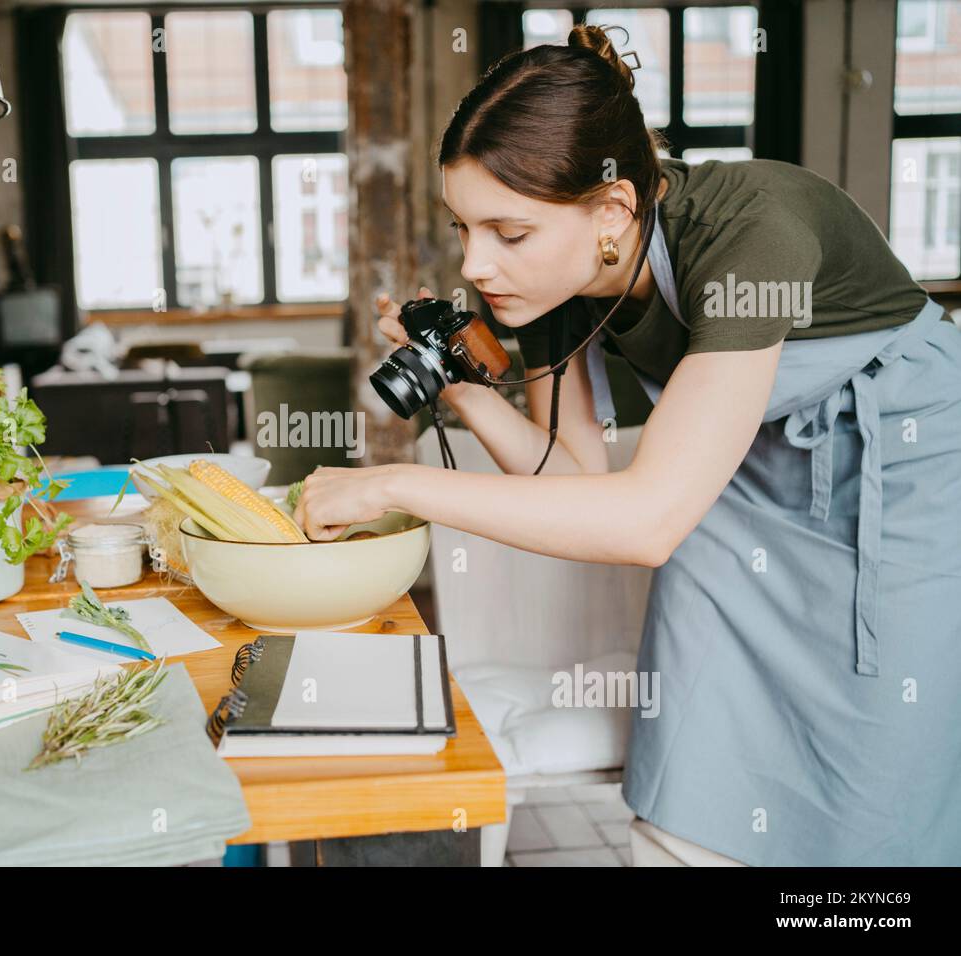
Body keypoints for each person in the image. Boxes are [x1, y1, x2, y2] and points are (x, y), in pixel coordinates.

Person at [291, 23, 961, 866]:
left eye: (510, 232)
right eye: (465, 230)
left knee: (875, 766)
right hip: (737, 466)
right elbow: (566, 471)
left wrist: (393, 485)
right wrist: (461, 382)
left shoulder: (756, 235)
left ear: (611, 208)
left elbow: (645, 522)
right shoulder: (562, 283)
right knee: (698, 735)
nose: (479, 266)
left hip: (898, 464)